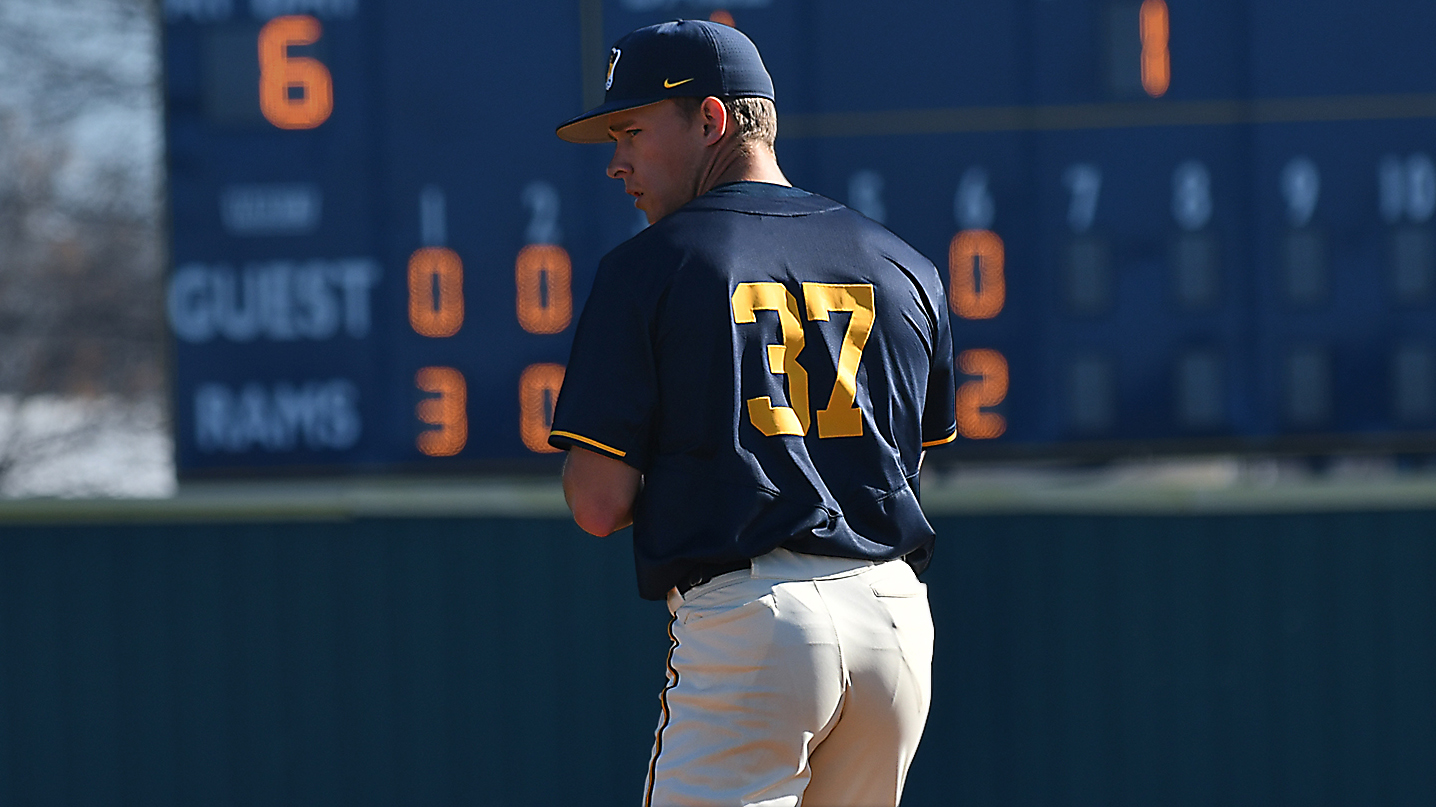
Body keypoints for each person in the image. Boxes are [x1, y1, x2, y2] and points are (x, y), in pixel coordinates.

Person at [548, 19, 956, 807]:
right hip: (895, 623)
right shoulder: (904, 265)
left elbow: (598, 502)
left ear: (711, 119)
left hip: (757, 624)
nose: (616, 162)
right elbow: (906, 465)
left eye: (632, 131)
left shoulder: (651, 267)